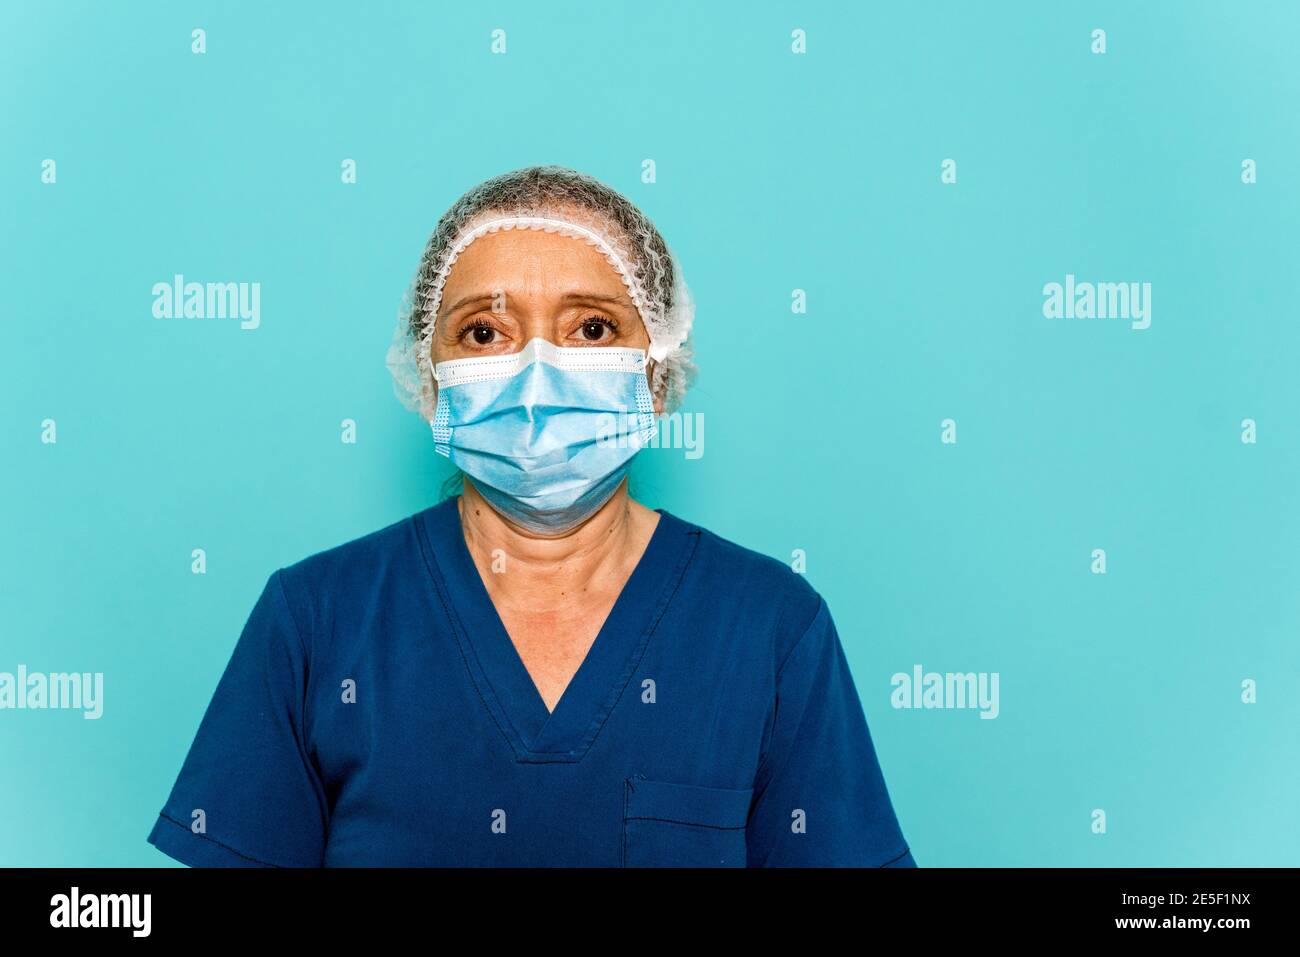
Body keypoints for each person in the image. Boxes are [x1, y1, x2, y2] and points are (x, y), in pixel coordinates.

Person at [145, 165, 916, 867]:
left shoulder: (769, 628)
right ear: (431, 371)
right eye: (485, 331)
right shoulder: (316, 620)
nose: (537, 374)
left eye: (591, 328)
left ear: (657, 369)